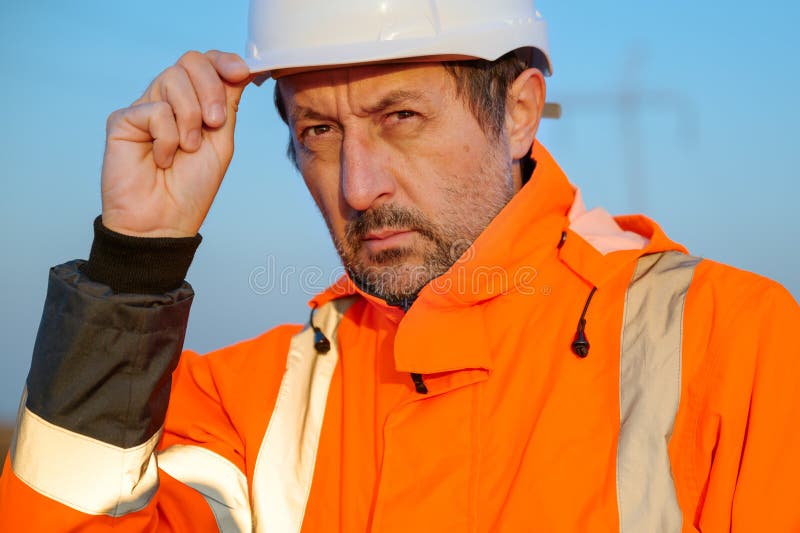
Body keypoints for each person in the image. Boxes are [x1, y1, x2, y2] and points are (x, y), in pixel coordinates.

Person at [1, 1, 799, 531]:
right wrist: (135, 264)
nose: (358, 185)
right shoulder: (246, 405)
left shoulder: (735, 348)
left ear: (518, 111)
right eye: (318, 131)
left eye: (401, 116)